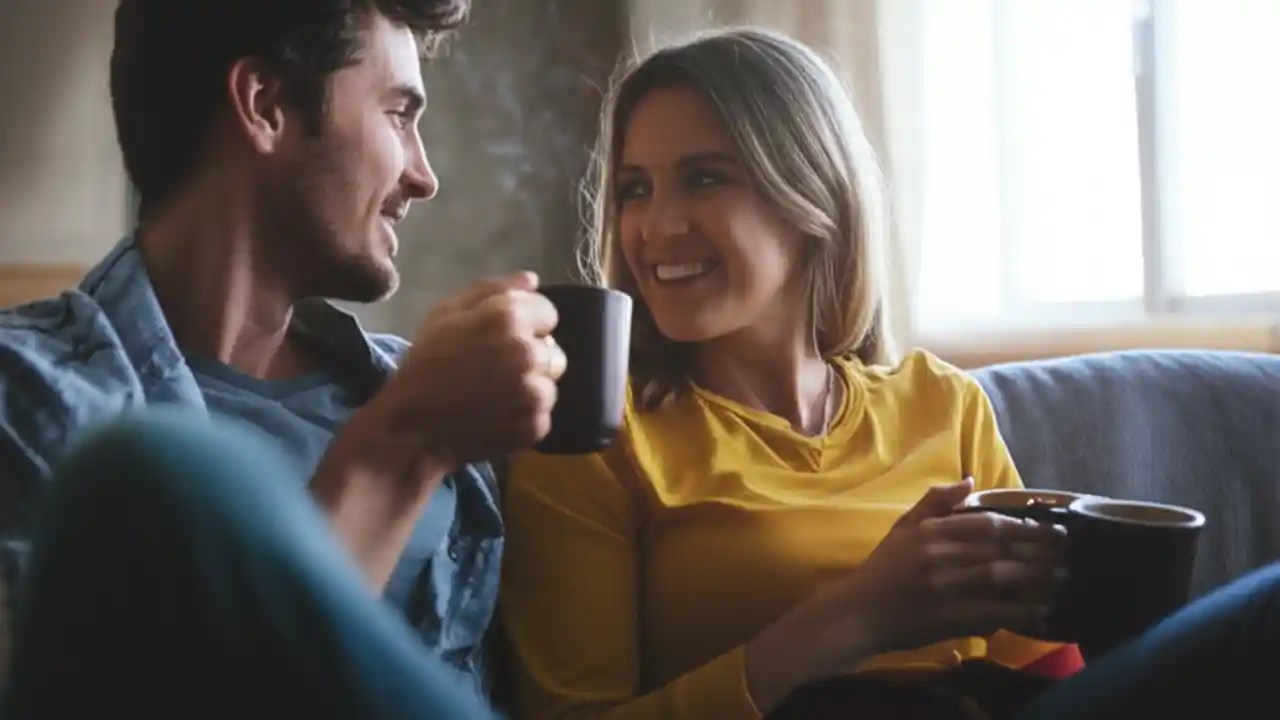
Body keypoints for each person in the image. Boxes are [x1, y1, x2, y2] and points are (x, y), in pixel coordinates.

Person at [497, 27, 1280, 719]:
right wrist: (859, 615)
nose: (655, 226)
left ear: (813, 195)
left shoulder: (940, 402)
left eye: (704, 178)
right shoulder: (590, 434)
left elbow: (1035, 665)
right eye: (636, 188)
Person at [0, 0, 565, 714]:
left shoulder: (430, 389)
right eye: (399, 114)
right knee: (146, 472)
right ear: (265, 105)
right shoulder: (28, 395)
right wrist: (401, 448)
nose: (424, 176)